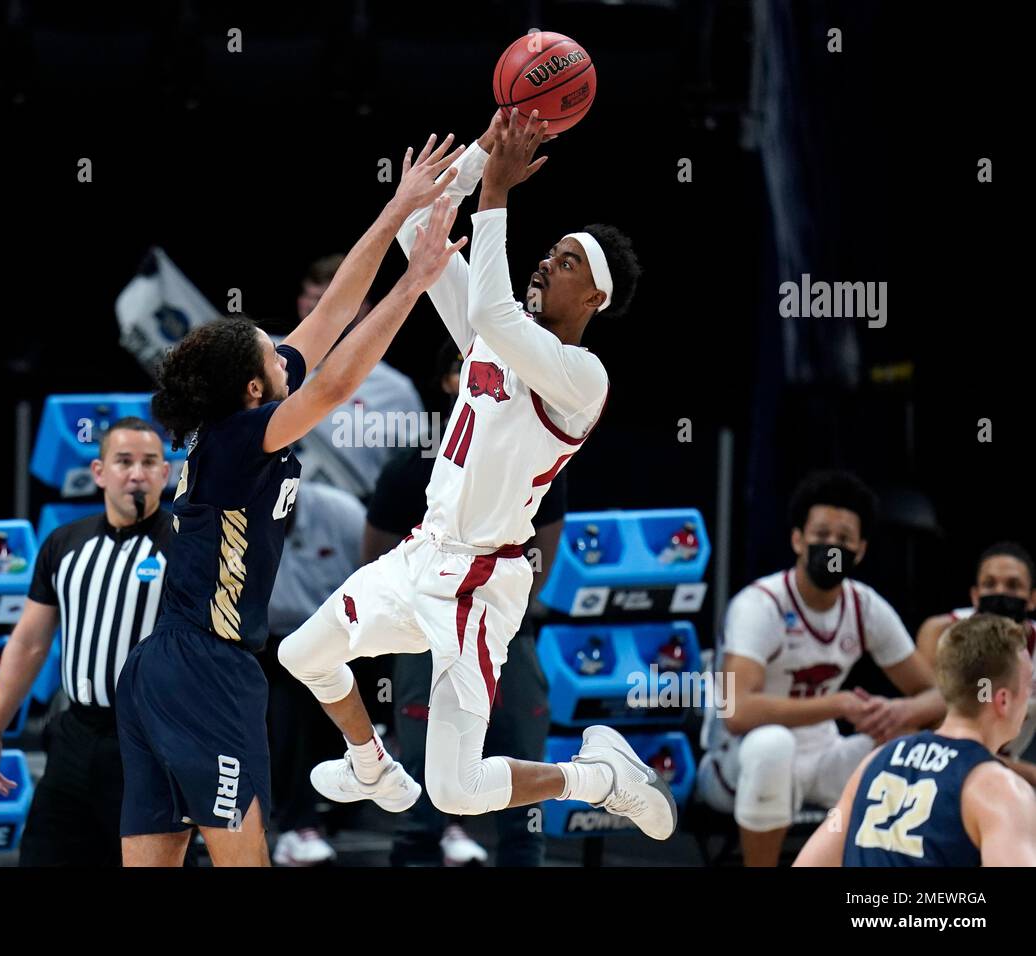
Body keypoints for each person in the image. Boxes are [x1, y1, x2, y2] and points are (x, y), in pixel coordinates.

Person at [279, 109, 677, 841]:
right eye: (548, 252)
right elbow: (417, 233)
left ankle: (601, 777)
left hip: (477, 582)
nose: (543, 263)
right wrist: (481, 156)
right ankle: (369, 763)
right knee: (300, 652)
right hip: (420, 554)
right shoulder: (490, 335)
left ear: (594, 298)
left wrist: (497, 193)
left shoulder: (581, 378)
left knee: (456, 791)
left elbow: (494, 307)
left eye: (564, 263)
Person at [115, 134, 469, 867]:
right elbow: (336, 385)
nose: (286, 350)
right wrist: (415, 284)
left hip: (161, 669)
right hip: (210, 670)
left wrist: (398, 210)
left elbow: (333, 312)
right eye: (273, 355)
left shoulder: (234, 425)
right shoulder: (245, 438)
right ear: (254, 388)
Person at [363, 344, 562, 866]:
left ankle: (525, 850)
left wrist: (499, 616)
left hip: (502, 626)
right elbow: (376, 553)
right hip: (426, 634)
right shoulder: (412, 466)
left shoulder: (534, 454)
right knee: (426, 774)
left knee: (521, 743)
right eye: (464, 369)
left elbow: (546, 546)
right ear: (452, 383)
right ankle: (418, 844)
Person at [696, 469, 944, 866]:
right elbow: (737, 712)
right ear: (797, 539)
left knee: (910, 746)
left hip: (823, 756)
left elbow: (938, 697)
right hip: (736, 762)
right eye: (821, 536)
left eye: (843, 540)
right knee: (772, 745)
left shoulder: (865, 606)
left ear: (861, 549)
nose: (832, 547)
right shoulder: (761, 605)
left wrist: (899, 712)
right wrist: (839, 705)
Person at [0, 418, 174, 866]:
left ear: (166, 473)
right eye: (124, 461)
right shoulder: (65, 543)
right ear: (100, 471)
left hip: (150, 741)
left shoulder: (184, 547)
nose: (136, 474)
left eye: (148, 462)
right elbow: (29, 643)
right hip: (76, 735)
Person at [795, 613, 1036, 866]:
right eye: (1028, 686)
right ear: (1003, 701)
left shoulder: (877, 760)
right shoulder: (1001, 789)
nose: (1029, 696)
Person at [263, 479, 367, 865]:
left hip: (348, 639)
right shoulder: (227, 518)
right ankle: (296, 826)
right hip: (264, 644)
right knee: (288, 695)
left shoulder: (343, 514)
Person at [289, 253, 425, 502]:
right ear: (301, 302)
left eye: (335, 302)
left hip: (350, 518)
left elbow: (416, 471)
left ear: (365, 308)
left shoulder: (395, 390)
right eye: (316, 300)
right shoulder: (266, 358)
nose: (324, 312)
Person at [915, 541, 1036, 786]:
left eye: (1013, 585)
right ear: (974, 595)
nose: (1000, 593)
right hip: (943, 763)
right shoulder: (942, 631)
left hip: (1008, 761)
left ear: (1032, 599)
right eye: (990, 584)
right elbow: (920, 719)